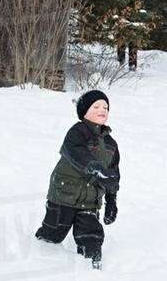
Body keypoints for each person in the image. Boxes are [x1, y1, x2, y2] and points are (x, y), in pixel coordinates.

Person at [35, 89, 120, 270]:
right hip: (63, 195)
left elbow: (113, 175)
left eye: (105, 107)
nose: (102, 109)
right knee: (53, 234)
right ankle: (38, 256)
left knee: (92, 238)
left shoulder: (111, 145)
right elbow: (75, 152)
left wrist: (111, 201)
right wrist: (96, 168)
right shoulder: (77, 132)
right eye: (96, 106)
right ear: (84, 111)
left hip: (90, 202)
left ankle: (92, 270)